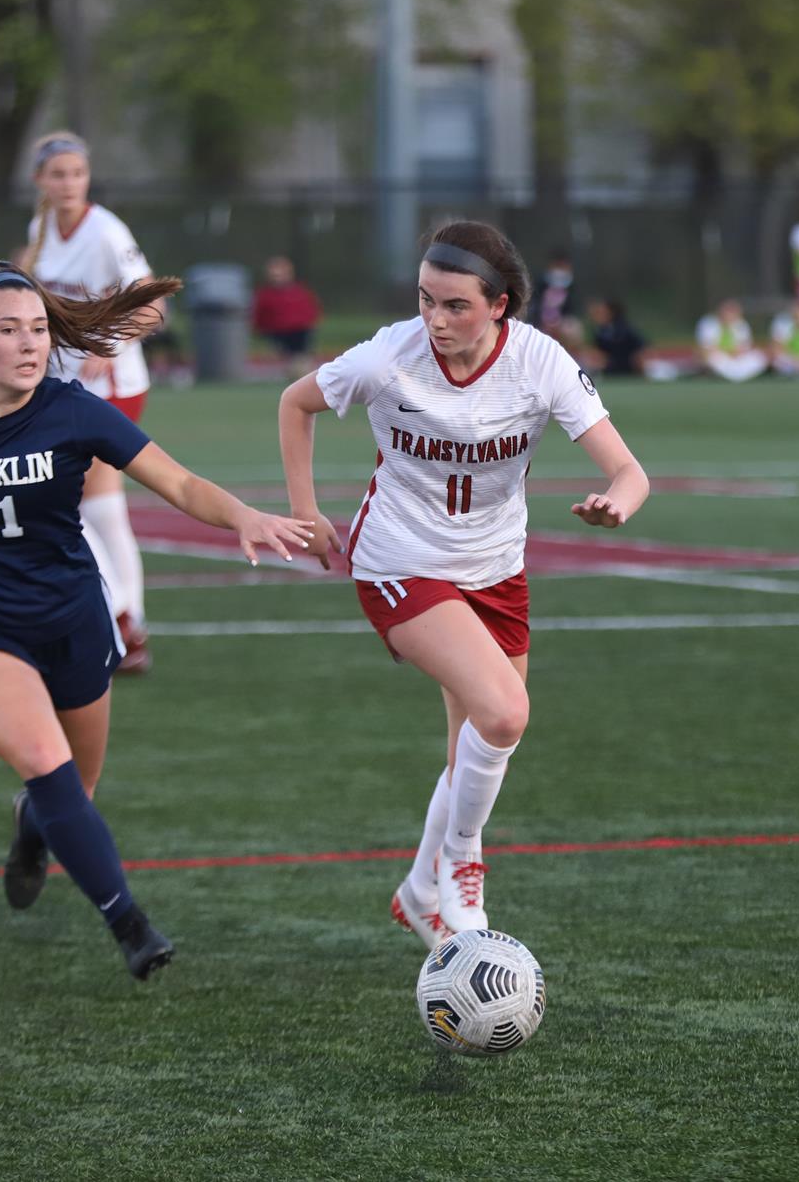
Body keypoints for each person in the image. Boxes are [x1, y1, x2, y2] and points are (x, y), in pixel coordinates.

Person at [0, 263, 314, 982]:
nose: (29, 344)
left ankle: (32, 827)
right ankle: (131, 924)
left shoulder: (73, 409)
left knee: (70, 790)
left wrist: (244, 514)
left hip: (73, 619)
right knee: (46, 761)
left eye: (40, 329)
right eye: (9, 329)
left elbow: (175, 480)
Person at [277, 220, 650, 944]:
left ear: (500, 305)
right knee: (506, 713)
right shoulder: (390, 354)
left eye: (455, 306)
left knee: (474, 745)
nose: (435, 320)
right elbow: (296, 403)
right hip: (400, 562)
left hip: (495, 570)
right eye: (425, 301)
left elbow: (630, 470)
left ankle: (420, 892)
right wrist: (304, 511)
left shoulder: (540, 362)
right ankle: (462, 861)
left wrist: (617, 503)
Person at [22, 132, 155, 675]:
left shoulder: (105, 230)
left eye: (77, 173)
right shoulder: (40, 229)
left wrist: (114, 342)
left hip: (114, 385)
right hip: (66, 384)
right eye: (58, 174)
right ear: (41, 182)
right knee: (95, 507)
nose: (69, 183)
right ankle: (127, 621)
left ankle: (125, 620)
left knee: (81, 502)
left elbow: (150, 304)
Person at [251, 255, 323, 378]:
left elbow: (312, 310)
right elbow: (260, 315)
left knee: (300, 359)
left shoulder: (299, 291)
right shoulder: (265, 294)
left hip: (300, 331)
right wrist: (260, 329)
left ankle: (300, 378)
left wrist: (310, 323)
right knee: (289, 360)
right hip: (278, 332)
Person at [696, 298, 769, 382]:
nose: (730, 315)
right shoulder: (708, 323)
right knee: (713, 357)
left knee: (759, 356)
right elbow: (707, 348)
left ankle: (734, 376)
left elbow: (744, 347)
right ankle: (735, 376)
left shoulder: (742, 324)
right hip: (720, 356)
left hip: (736, 357)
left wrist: (736, 353)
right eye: (727, 312)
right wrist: (728, 352)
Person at [532, 250, 583, 351]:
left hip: (564, 323)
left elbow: (572, 309)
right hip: (542, 323)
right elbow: (535, 306)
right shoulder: (541, 284)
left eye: (563, 266)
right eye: (558, 266)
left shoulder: (571, 286)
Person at [586, 299, 648, 377]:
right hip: (610, 368)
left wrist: (638, 360)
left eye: (602, 312)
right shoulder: (599, 332)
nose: (599, 315)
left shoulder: (626, 328)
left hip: (629, 367)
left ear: (611, 313)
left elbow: (641, 346)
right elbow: (597, 352)